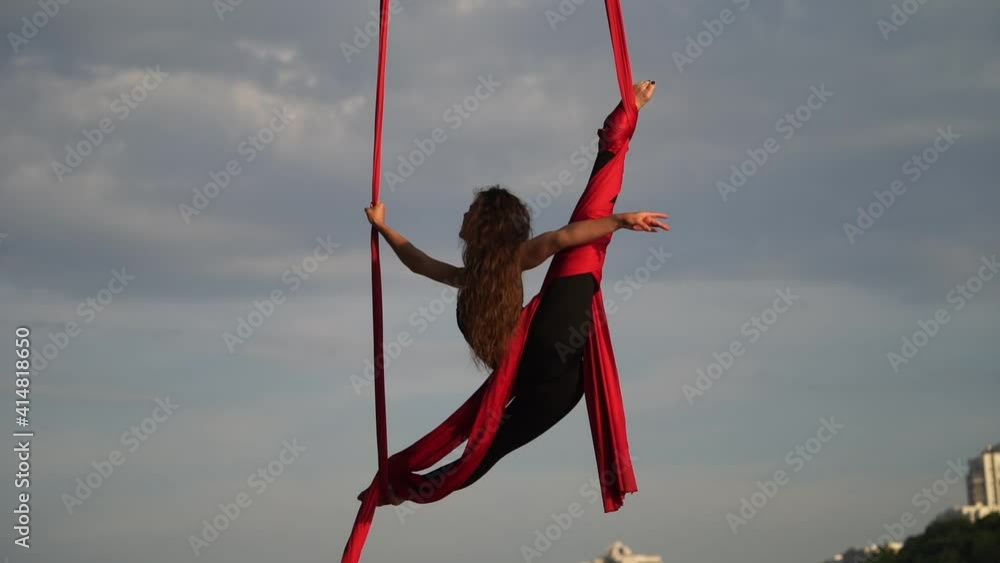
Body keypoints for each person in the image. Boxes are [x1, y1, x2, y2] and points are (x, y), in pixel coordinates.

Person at [363, 80, 661, 504]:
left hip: (549, 355)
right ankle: (399, 490)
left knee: (580, 254)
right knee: (485, 452)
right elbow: (419, 262)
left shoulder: (513, 259)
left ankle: (618, 131)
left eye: (470, 212)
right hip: (548, 385)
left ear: (484, 226)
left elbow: (562, 238)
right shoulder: (471, 277)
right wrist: (383, 227)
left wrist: (620, 222)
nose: (463, 215)